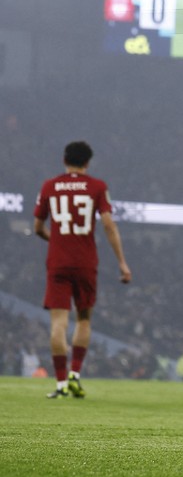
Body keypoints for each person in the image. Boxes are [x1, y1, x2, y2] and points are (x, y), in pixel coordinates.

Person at [32, 141, 132, 399]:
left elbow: (37, 227)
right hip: (86, 262)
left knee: (58, 322)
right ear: (88, 162)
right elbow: (109, 225)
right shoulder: (97, 187)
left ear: (64, 160)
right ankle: (75, 375)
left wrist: (54, 241)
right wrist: (122, 262)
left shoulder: (50, 186)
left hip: (58, 262)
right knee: (84, 319)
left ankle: (61, 383)